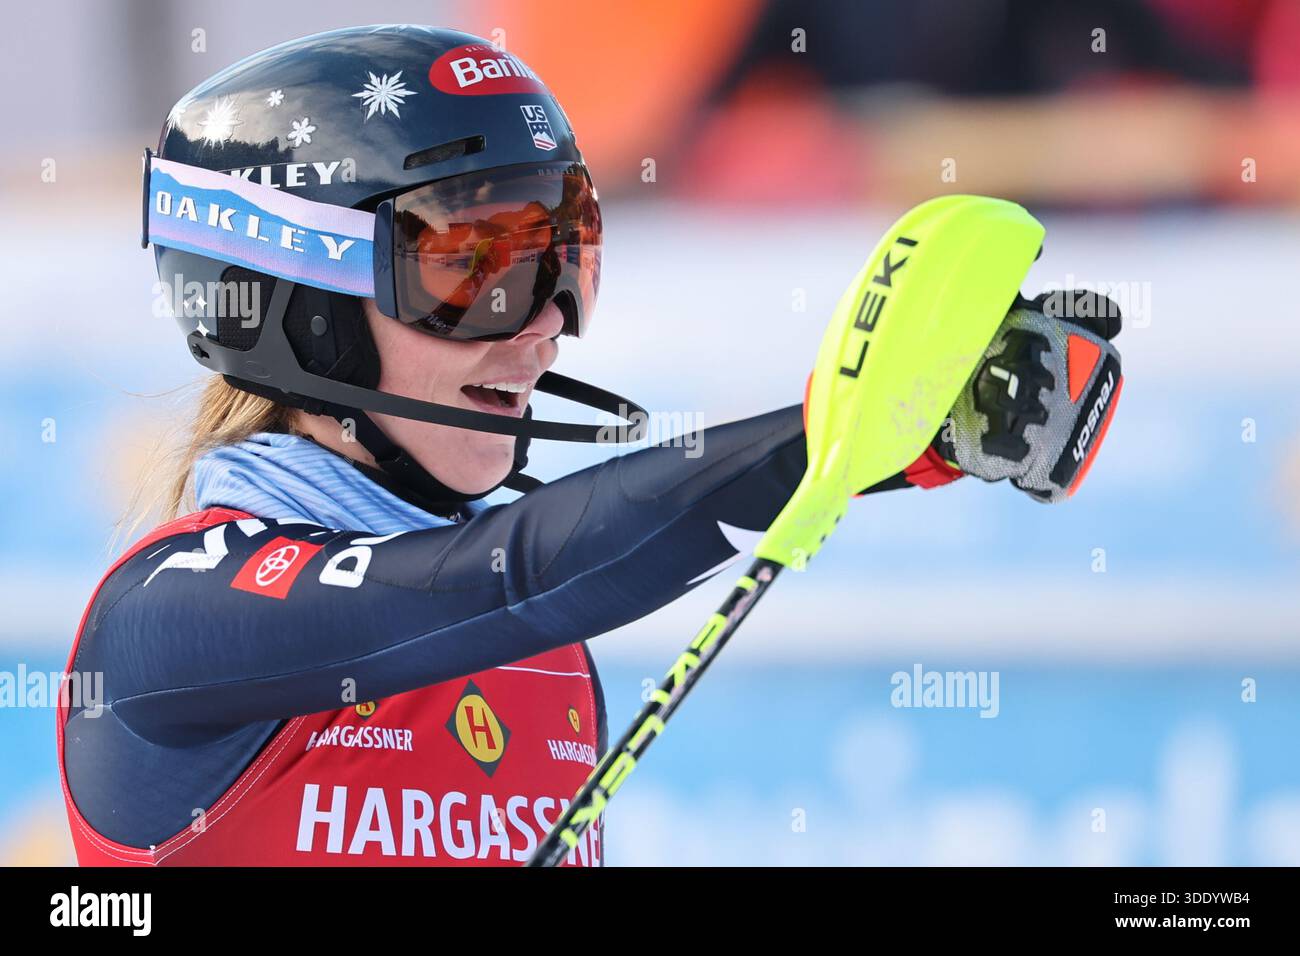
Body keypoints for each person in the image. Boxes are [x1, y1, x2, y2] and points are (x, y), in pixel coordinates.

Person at [56, 25, 1123, 867]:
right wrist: (850, 433)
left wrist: (931, 430)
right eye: (476, 266)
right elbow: (492, 580)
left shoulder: (546, 658)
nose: (545, 321)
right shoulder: (166, 619)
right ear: (304, 306)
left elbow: (519, 584)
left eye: (566, 254)